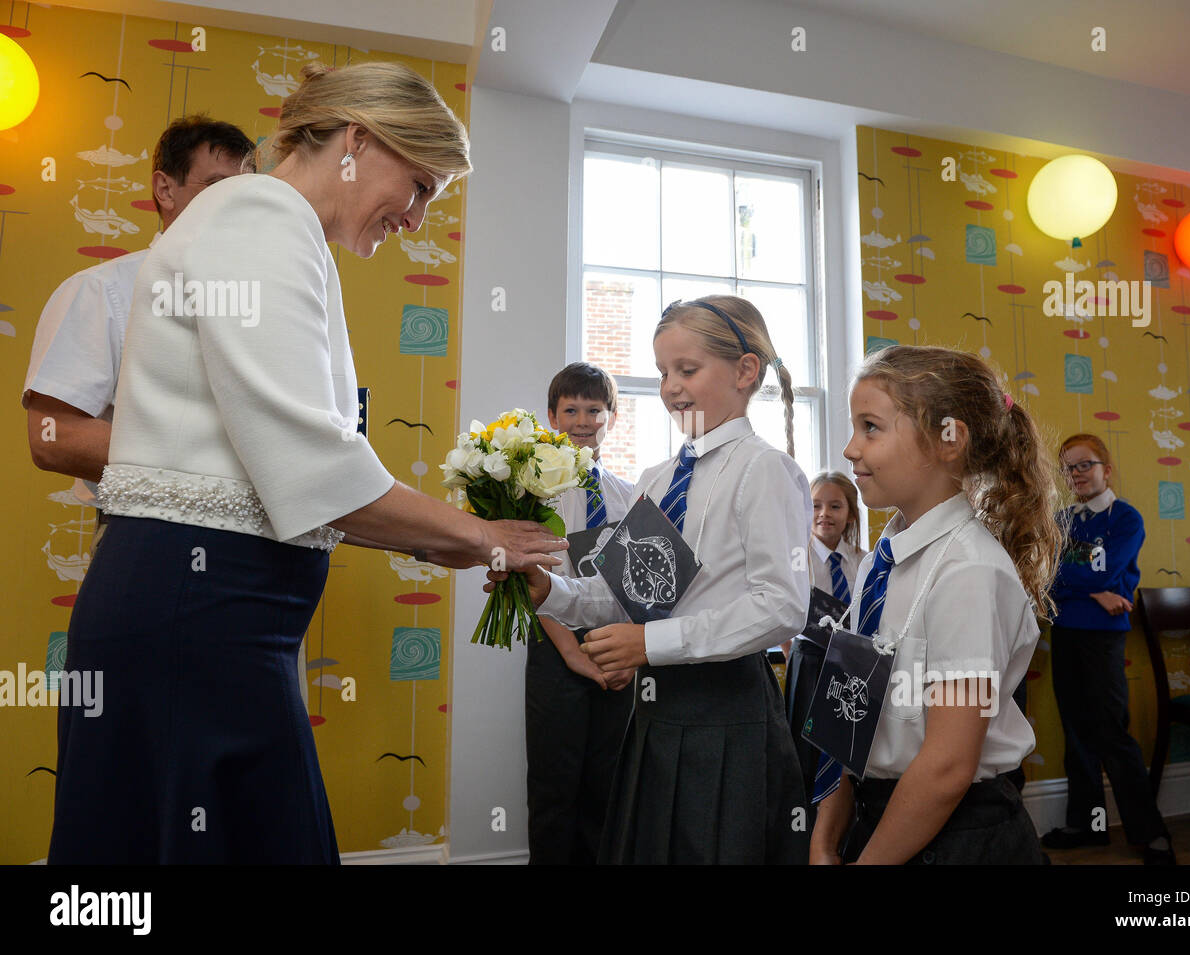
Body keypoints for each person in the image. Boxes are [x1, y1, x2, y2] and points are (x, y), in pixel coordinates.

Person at [46, 61, 566, 865]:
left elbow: (279, 484)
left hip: (214, 617)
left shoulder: (270, 230)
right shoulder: (257, 216)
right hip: (199, 615)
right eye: (421, 185)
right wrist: (477, 532)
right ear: (359, 140)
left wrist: (455, 541)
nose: (419, 219)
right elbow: (312, 466)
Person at [495, 296, 811, 864]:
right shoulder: (659, 479)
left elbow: (781, 607)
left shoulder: (764, 470)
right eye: (664, 372)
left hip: (724, 709)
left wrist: (650, 643)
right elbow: (627, 593)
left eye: (687, 370)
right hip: (656, 710)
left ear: (745, 372)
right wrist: (554, 593)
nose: (671, 387)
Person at [809, 345, 1056, 865]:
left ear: (948, 441)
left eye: (870, 427)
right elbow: (850, 712)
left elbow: (947, 764)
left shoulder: (968, 571)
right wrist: (826, 837)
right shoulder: (882, 560)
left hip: (958, 836)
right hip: (879, 821)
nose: (850, 449)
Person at [23, 115, 253, 521]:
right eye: (217, 188)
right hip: (148, 533)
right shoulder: (102, 289)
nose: (236, 205)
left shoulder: (267, 301)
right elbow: (52, 435)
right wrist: (220, 473)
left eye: (247, 192)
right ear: (165, 189)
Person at [1042, 433, 1173, 864]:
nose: (1077, 474)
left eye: (1085, 465)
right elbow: (1045, 576)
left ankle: (1150, 833)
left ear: (1106, 469)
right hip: (1065, 631)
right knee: (1076, 730)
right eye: (1070, 467)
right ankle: (1088, 824)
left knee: (1111, 731)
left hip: (1103, 635)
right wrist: (1095, 590)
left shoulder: (1126, 519)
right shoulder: (1059, 520)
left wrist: (1090, 586)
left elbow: (1108, 570)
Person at [525, 362, 637, 864]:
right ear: (552, 416)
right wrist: (571, 653)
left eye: (595, 409)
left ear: (611, 417)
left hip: (616, 652)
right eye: (570, 409)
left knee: (607, 781)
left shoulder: (628, 495)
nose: (582, 420)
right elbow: (532, 581)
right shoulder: (535, 491)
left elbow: (637, 586)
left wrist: (623, 655)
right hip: (556, 647)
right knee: (555, 783)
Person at [782, 471, 866, 823]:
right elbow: (784, 617)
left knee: (846, 750)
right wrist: (794, 661)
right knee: (808, 751)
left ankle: (844, 828)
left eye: (835, 506)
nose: (824, 514)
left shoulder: (865, 561)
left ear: (849, 513)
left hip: (853, 665)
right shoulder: (795, 559)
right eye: (816, 505)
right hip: (810, 665)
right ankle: (806, 831)